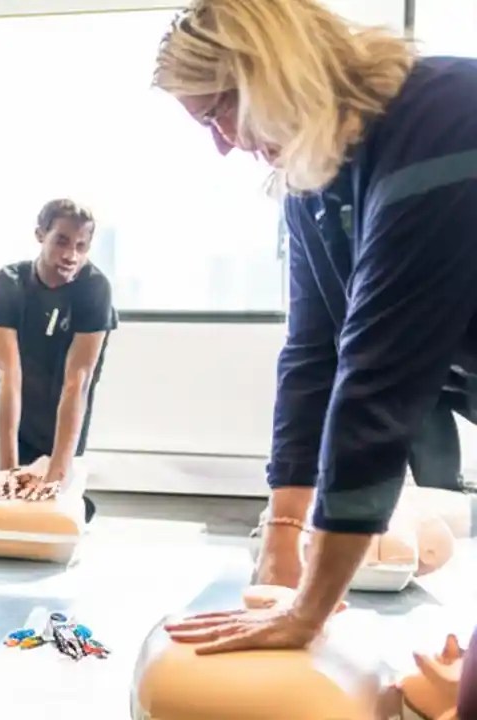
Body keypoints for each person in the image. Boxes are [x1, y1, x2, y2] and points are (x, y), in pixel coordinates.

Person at [150, 1, 477, 709]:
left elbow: (377, 379)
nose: (223, 145)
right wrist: (282, 540)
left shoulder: (447, 118)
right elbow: (312, 359)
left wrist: (309, 608)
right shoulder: (312, 190)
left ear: (272, 68)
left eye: (219, 112)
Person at [0, 199, 115, 519]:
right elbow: (8, 376)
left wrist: (56, 477)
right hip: (19, 416)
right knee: (5, 508)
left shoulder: (95, 289)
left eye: (81, 246)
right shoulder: (5, 285)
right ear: (41, 234)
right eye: (62, 241)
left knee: (54, 504)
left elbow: (77, 382)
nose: (71, 255)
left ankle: (71, 498)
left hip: (65, 415)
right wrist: (7, 472)